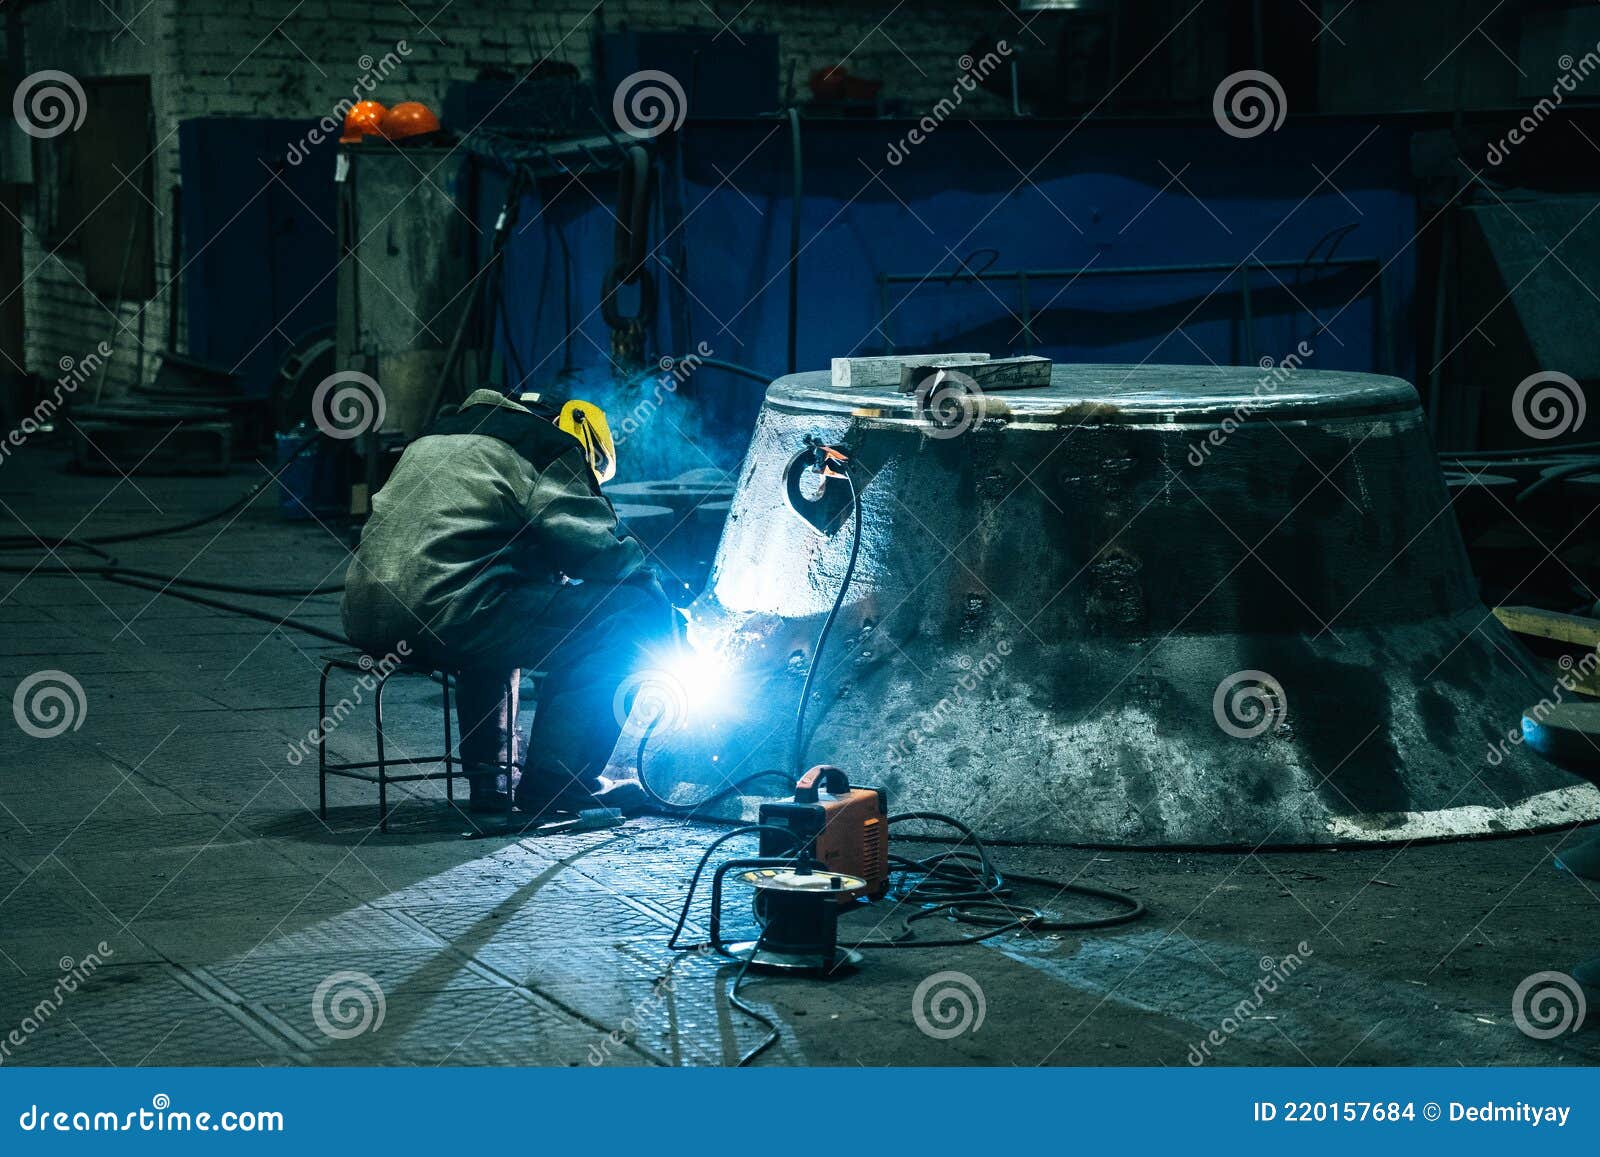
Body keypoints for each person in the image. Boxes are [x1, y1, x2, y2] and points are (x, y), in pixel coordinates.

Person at [340, 387, 674, 817]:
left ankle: (491, 785)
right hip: (451, 611)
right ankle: (559, 784)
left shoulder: (438, 436)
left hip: (366, 612)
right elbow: (600, 550)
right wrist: (661, 603)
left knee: (496, 609)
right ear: (577, 431)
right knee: (629, 612)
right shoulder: (545, 446)